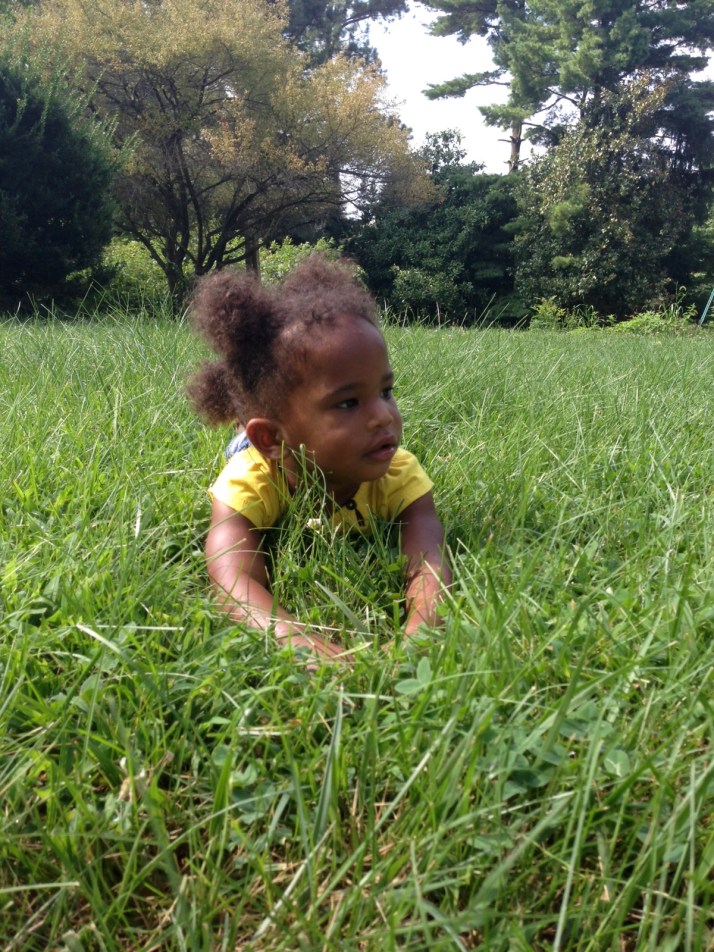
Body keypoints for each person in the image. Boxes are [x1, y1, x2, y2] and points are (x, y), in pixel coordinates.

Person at [187, 254, 451, 662]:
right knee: (240, 447)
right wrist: (295, 640)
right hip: (266, 452)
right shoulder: (252, 481)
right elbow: (230, 576)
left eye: (385, 392)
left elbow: (428, 560)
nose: (384, 416)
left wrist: (419, 634)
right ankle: (245, 432)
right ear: (272, 438)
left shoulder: (398, 473)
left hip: (286, 443)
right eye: (348, 403)